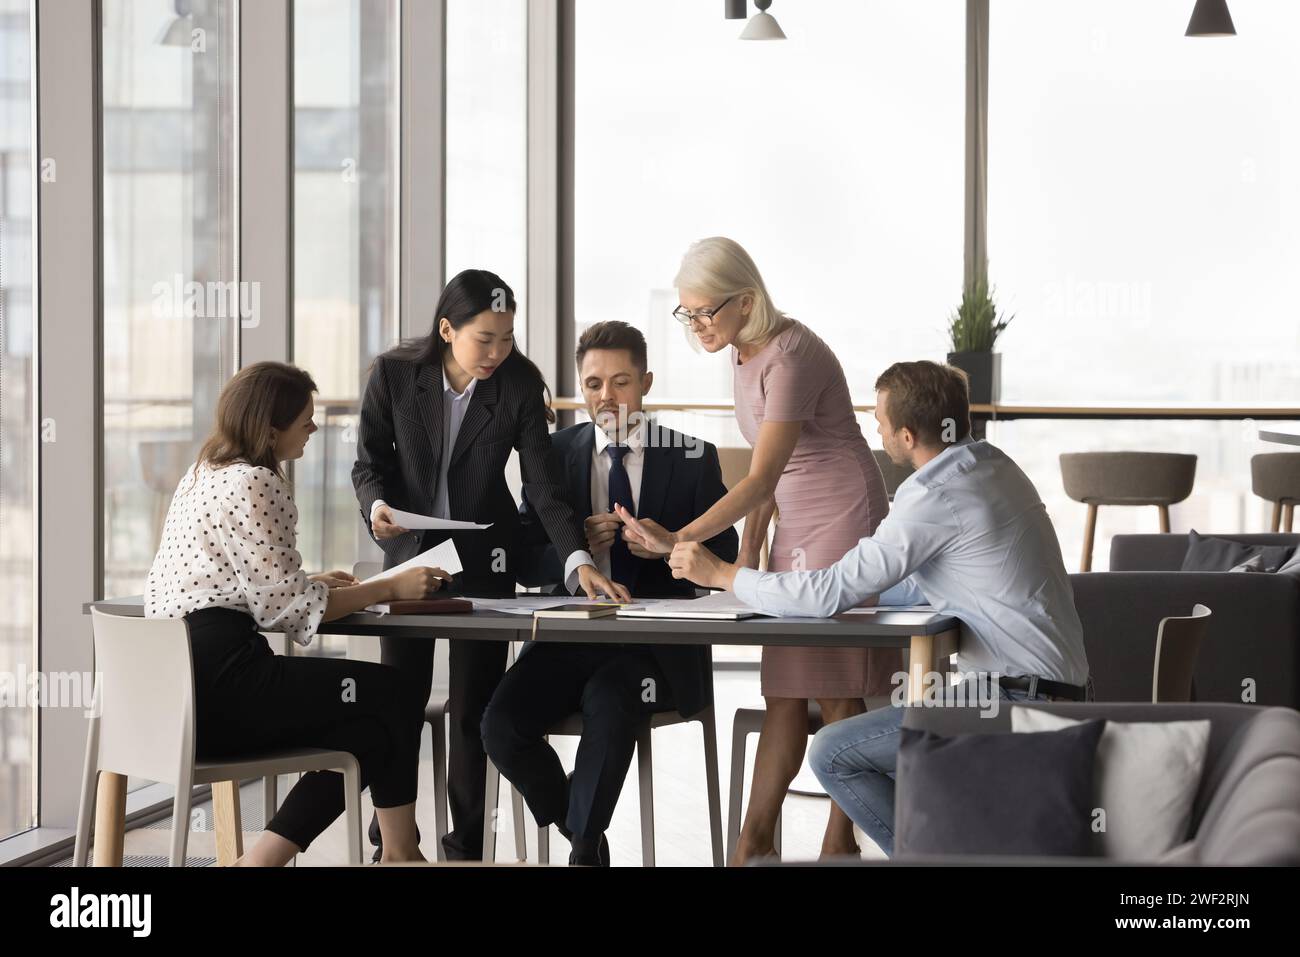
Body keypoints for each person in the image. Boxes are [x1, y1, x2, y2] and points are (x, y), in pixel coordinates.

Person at [667, 360, 1092, 857]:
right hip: (1061, 695)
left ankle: (937, 857)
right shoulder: (992, 467)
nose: (876, 428)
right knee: (879, 738)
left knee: (834, 750)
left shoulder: (932, 495)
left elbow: (831, 595)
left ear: (907, 436)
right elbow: (908, 587)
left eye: (881, 420)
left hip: (1013, 705)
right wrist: (810, 585)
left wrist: (723, 576)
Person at [618, 237, 895, 864]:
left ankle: (837, 841)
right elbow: (768, 487)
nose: (696, 326)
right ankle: (753, 844)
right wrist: (748, 555)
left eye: (705, 312)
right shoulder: (741, 351)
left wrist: (682, 538)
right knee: (785, 685)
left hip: (843, 511)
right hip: (797, 515)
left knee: (833, 681)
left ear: (746, 300)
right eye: (686, 314)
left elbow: (761, 477)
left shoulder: (790, 354)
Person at [352, 269, 629, 861]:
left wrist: (577, 561)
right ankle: (392, 838)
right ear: (448, 329)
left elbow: (545, 488)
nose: (498, 351)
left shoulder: (520, 384)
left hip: (486, 560)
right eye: (486, 338)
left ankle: (467, 847)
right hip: (408, 560)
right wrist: (376, 506)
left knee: (473, 710)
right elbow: (368, 463)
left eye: (507, 337)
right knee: (399, 700)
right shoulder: (396, 375)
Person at [145, 361, 444, 866]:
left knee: (367, 732)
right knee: (394, 693)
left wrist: (313, 584)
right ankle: (401, 854)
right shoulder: (258, 483)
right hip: (225, 683)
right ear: (269, 429)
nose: (314, 427)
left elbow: (246, 586)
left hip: (175, 687)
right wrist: (387, 585)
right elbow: (288, 609)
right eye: (305, 418)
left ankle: (265, 861)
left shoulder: (202, 475)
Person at [480, 321, 738, 865]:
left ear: (644, 381)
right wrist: (572, 550)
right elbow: (524, 558)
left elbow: (728, 554)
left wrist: (671, 547)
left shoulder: (692, 455)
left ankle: (579, 854)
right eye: (594, 383)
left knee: (612, 700)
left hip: (658, 650)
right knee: (500, 725)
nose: (606, 396)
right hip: (571, 637)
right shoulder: (552, 453)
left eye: (621, 382)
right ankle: (587, 835)